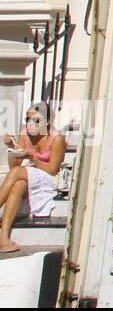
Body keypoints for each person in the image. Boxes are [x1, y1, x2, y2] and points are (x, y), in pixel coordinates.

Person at [0, 102, 66, 252]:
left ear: (48, 121)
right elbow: (14, 165)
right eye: (28, 119)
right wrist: (12, 149)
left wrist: (33, 158)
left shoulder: (57, 139)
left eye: (36, 120)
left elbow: (53, 170)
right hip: (30, 173)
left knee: (18, 174)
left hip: (48, 177)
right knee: (18, 184)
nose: (31, 123)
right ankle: (4, 238)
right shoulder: (25, 133)